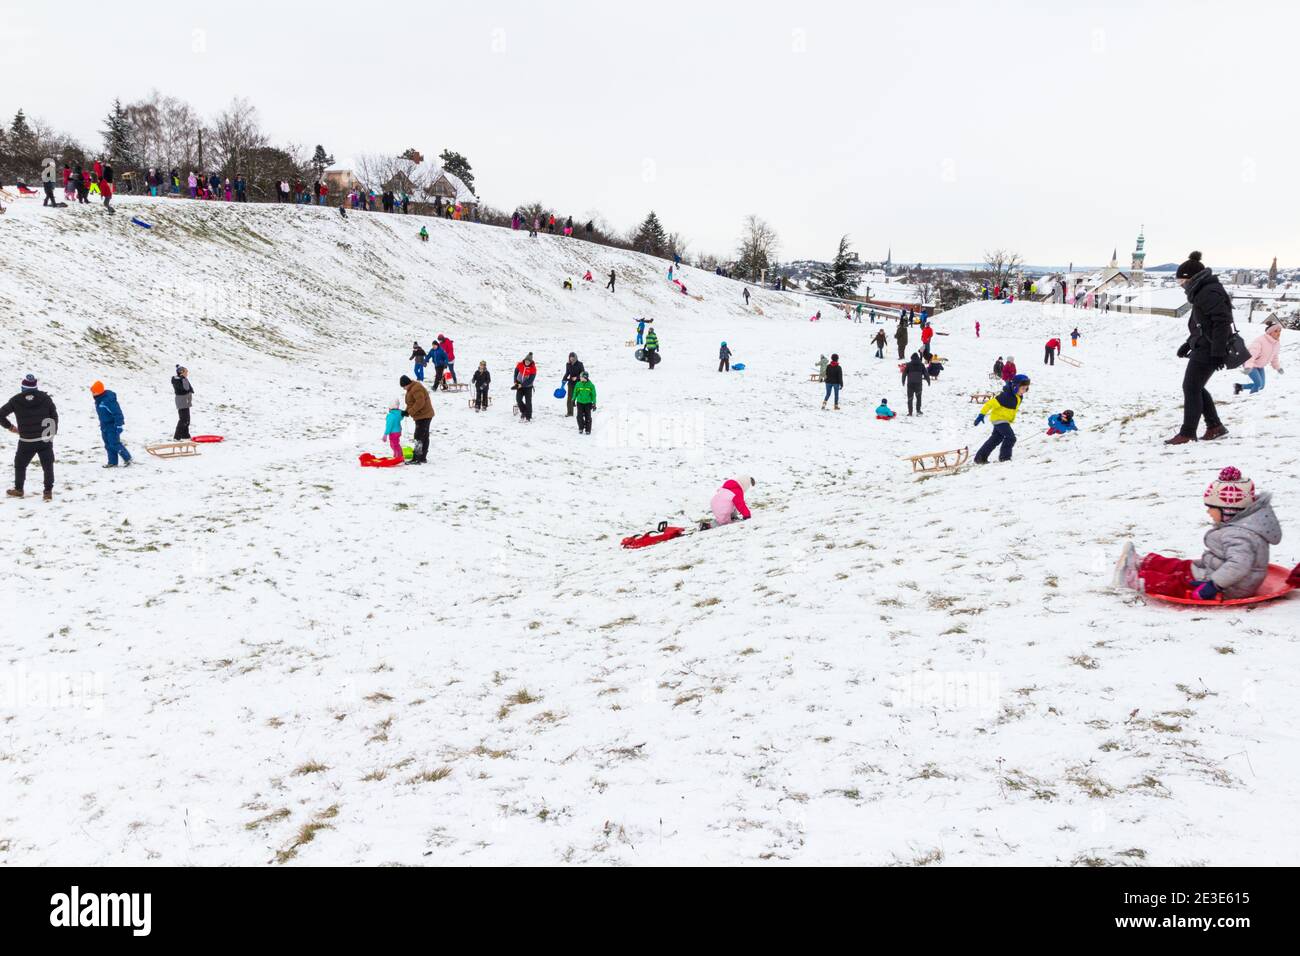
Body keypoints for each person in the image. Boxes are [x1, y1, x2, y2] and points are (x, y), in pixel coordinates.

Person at [1114, 467, 1281, 600]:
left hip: (1229, 587)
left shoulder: (1239, 535)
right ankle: (1144, 563)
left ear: (1228, 510)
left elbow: (1238, 566)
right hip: (1217, 572)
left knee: (1178, 583)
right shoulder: (1239, 527)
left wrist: (1214, 585)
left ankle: (1137, 581)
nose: (1208, 511)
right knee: (1183, 566)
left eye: (1211, 507)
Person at [1166, 252, 1232, 445]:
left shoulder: (1208, 292)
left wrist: (1218, 352)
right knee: (1195, 387)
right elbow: (1202, 324)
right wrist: (1189, 343)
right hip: (1204, 346)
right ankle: (1215, 426)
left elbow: (1221, 322)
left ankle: (1188, 433)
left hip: (1210, 349)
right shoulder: (1202, 290)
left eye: (1181, 282)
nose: (1181, 286)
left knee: (1191, 387)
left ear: (1190, 278)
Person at [1, 374, 58, 501]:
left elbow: (0, 414)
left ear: (23, 388)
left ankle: (19, 489)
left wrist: (10, 427)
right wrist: (51, 434)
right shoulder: (45, 398)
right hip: (44, 439)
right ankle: (48, 492)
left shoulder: (15, 400)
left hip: (26, 440)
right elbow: (54, 416)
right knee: (47, 466)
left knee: (20, 465)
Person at [974, 374, 1030, 464]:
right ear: (1015, 387)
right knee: (1011, 438)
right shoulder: (1005, 396)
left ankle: (980, 458)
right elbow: (990, 404)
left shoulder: (1018, 396)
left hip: (1004, 420)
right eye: (1023, 388)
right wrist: (981, 415)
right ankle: (1005, 458)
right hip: (999, 419)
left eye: (1026, 389)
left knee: (996, 438)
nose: (1024, 391)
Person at [1235, 316, 1284, 396]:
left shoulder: (1276, 344)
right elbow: (1251, 356)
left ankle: (1239, 387)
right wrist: (1248, 367)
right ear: (1270, 332)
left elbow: (1274, 357)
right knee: (1258, 384)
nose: (1278, 333)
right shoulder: (1260, 341)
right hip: (1250, 364)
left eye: (1279, 331)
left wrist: (1278, 368)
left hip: (1260, 366)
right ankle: (1251, 400)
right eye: (1276, 331)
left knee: (1261, 386)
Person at [90, 380, 131, 467]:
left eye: (94, 392)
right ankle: (112, 462)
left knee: (114, 443)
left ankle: (128, 458)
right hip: (104, 426)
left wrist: (119, 425)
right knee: (108, 444)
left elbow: (117, 413)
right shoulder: (99, 400)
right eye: (92, 392)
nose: (92, 394)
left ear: (99, 391)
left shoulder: (108, 400)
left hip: (113, 425)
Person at [399, 375, 433, 463]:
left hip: (424, 415)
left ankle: (417, 458)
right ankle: (422, 457)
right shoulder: (411, 388)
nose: (403, 388)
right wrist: (406, 411)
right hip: (422, 415)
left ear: (407, 384)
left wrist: (410, 412)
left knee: (419, 436)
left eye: (403, 386)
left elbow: (420, 403)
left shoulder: (416, 388)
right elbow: (411, 403)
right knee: (424, 436)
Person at [171, 365, 194, 440]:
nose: (187, 373)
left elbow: (188, 389)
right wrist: (183, 378)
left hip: (185, 400)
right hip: (181, 400)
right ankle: (177, 437)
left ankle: (185, 435)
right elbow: (185, 388)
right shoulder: (178, 379)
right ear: (181, 372)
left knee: (187, 419)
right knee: (183, 419)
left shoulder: (182, 379)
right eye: (186, 372)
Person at [514, 353, 537, 420]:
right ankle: (524, 412)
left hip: (528, 387)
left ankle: (528, 416)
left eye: (528, 361)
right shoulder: (520, 364)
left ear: (531, 361)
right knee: (518, 399)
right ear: (524, 360)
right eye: (526, 360)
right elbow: (515, 373)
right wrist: (515, 381)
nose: (527, 362)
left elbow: (531, 380)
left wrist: (522, 385)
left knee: (528, 402)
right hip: (519, 384)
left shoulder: (533, 368)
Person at [563, 352, 585, 416]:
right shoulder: (568, 364)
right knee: (570, 398)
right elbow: (567, 373)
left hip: (579, 383)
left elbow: (583, 373)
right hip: (571, 383)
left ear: (575, 358)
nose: (571, 359)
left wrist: (577, 377)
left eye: (573, 358)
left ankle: (582, 412)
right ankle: (570, 412)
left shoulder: (580, 364)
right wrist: (564, 379)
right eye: (570, 358)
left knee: (580, 398)